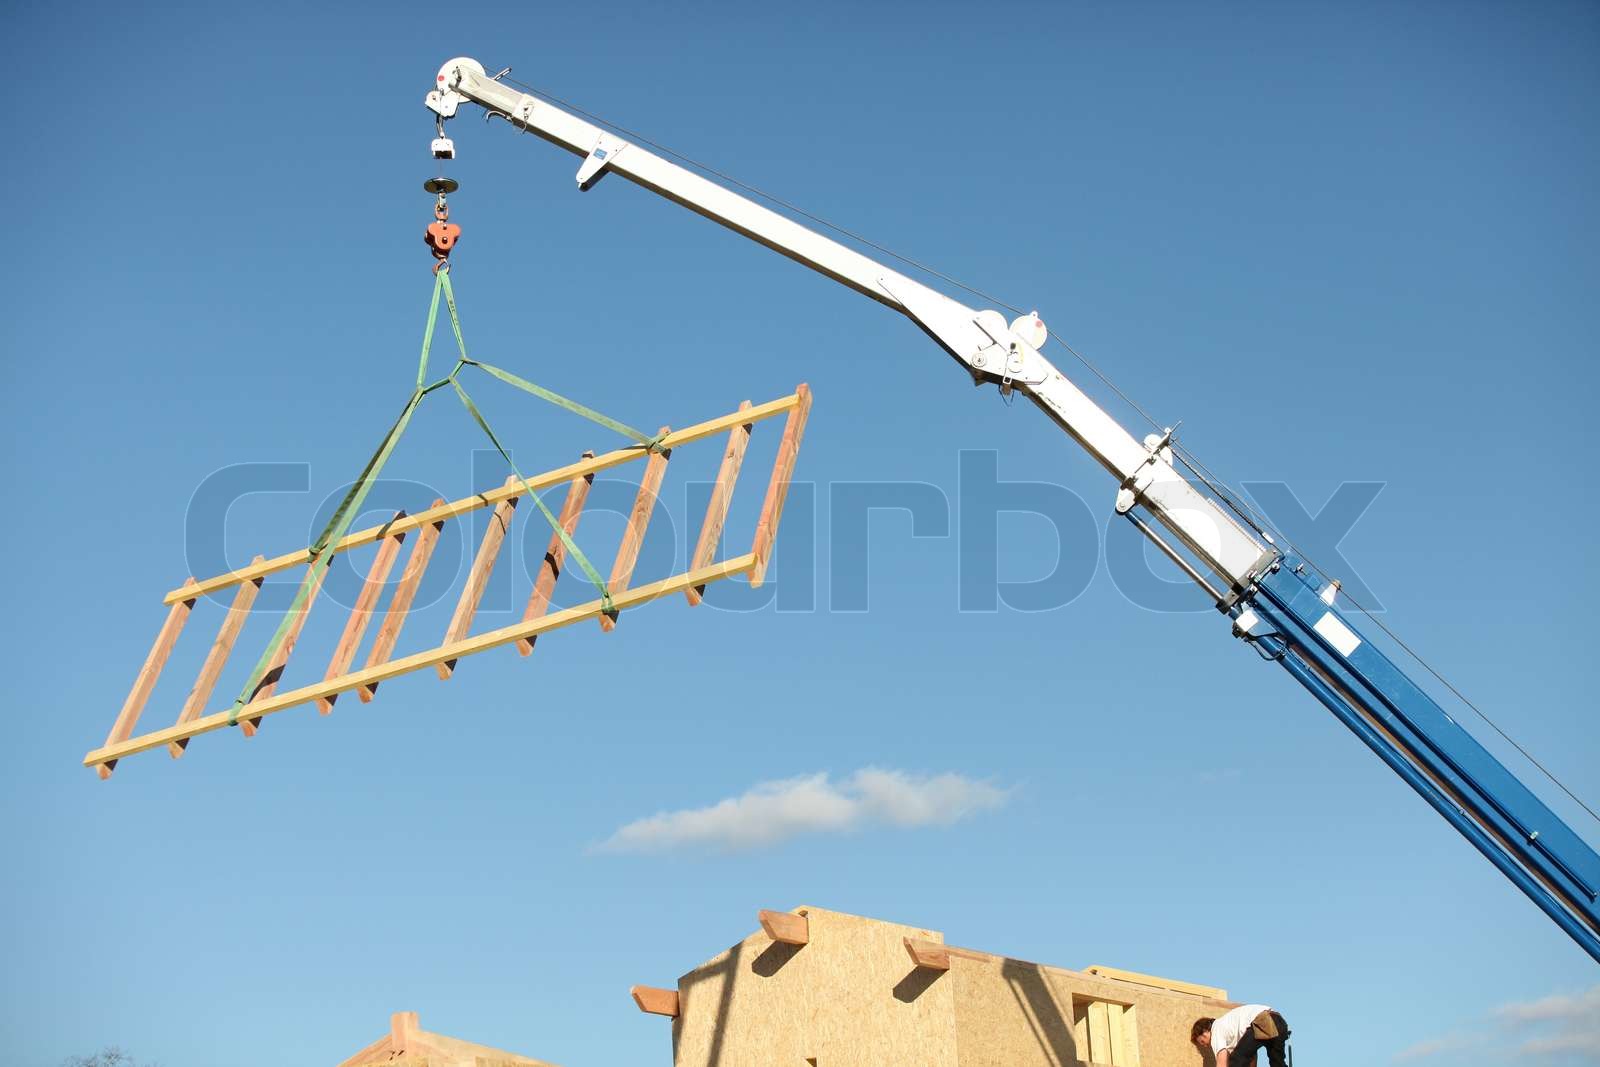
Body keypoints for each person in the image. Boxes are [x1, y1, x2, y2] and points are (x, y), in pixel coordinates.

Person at [1191, 1005, 1291, 1066]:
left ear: (1205, 1031)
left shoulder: (1216, 1028)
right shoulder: (1231, 1030)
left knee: (1235, 1060)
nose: (1206, 1045)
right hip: (1279, 1023)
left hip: (1263, 1020)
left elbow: (1222, 1062)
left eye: (1202, 1041)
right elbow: (1251, 1054)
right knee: (1277, 1063)